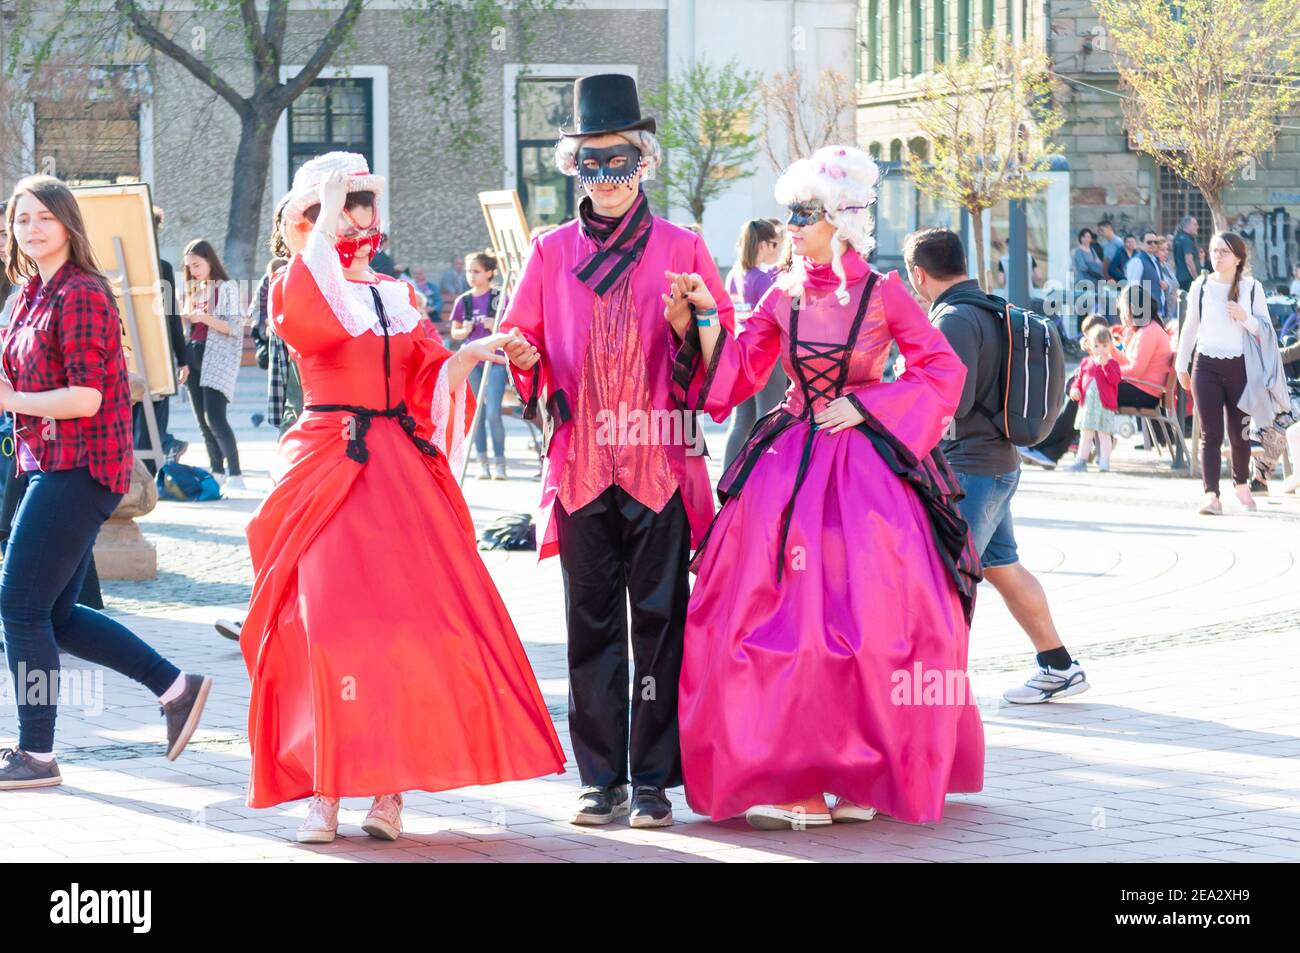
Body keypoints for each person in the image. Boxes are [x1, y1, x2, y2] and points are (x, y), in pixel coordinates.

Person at [240, 153, 564, 843]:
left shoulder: (397, 294)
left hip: (396, 470)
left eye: (361, 200)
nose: (358, 211)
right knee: (326, 628)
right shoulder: (294, 281)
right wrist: (323, 219)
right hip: (328, 464)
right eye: (344, 200)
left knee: (403, 630)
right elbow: (307, 323)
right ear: (313, 212)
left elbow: (426, 376)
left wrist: (476, 353)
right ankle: (324, 790)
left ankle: (387, 792)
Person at [671, 147, 983, 829]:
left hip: (864, 473)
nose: (791, 226)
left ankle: (861, 771)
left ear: (840, 221)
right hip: (787, 465)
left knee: (877, 618)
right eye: (790, 214)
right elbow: (738, 373)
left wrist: (869, 407)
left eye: (804, 215)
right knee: (768, 620)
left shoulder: (884, 291)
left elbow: (941, 370)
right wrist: (701, 321)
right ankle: (797, 773)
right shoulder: (780, 293)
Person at [499, 73, 731, 829]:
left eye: (619, 161)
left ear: (643, 162)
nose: (605, 178)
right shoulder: (548, 251)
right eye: (590, 163)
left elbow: (719, 349)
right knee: (590, 622)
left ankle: (655, 779)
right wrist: (521, 359)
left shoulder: (683, 246)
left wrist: (695, 319)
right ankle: (601, 778)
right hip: (583, 466)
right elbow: (522, 342)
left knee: (661, 622)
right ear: (574, 166)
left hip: (660, 462)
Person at [0, 175, 212, 790]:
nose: (32, 228)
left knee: (19, 605)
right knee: (57, 615)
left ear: (69, 224)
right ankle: (178, 689)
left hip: (82, 464)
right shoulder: (26, 295)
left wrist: (16, 398)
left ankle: (36, 755)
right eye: (21, 219)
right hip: (44, 460)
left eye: (44, 217)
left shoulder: (84, 292)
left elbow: (89, 397)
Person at [906, 227, 1090, 704]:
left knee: (946, 580)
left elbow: (955, 399)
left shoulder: (952, 320)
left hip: (969, 470)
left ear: (917, 274)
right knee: (1001, 566)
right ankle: (1059, 666)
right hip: (998, 463)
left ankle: (933, 692)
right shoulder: (992, 308)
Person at [1176, 232, 1270, 515]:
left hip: (1240, 367)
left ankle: (1241, 484)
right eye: (1214, 251)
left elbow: (1264, 331)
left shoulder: (1252, 288)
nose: (1217, 256)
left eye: (1224, 252)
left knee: (1240, 434)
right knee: (1210, 433)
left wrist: (1245, 316)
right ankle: (1211, 495)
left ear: (1238, 258)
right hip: (1205, 365)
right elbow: (1190, 326)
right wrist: (1181, 364)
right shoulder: (1200, 286)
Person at [721, 218, 787, 469]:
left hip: (740, 353)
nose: (778, 250)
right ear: (763, 246)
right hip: (767, 357)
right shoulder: (765, 280)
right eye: (774, 245)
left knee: (741, 421)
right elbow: (778, 320)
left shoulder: (735, 275)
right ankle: (760, 480)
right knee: (768, 420)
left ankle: (728, 480)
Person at [181, 239, 246, 490]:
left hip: (216, 356)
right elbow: (189, 327)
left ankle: (235, 473)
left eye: (196, 265)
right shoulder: (193, 289)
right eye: (188, 267)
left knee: (216, 418)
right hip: (193, 354)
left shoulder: (226, 288)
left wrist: (204, 318)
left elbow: (235, 326)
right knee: (202, 419)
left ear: (210, 261)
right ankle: (216, 469)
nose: (193, 271)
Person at [131, 205, 189, 473]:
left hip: (154, 352)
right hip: (139, 352)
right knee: (148, 419)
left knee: (148, 418)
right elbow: (172, 316)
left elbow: (171, 315)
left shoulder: (161, 267)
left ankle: (141, 478)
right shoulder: (156, 266)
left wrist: (182, 357)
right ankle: (142, 476)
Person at [450, 250, 508, 479]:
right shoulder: (463, 300)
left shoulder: (499, 297)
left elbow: (511, 327)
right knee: (478, 414)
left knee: (494, 411)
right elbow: (455, 332)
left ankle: (500, 463)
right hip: (471, 361)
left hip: (494, 361)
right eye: (468, 271)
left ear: (490, 273)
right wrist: (463, 330)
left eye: (476, 271)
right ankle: (482, 462)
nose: (471, 276)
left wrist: (497, 323)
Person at [1066, 325, 1123, 472]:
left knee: (1104, 435)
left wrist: (1105, 366)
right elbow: (1079, 379)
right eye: (1097, 346)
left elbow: (1115, 380)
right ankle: (1081, 461)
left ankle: (1104, 461)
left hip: (1105, 406)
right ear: (1090, 346)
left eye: (1105, 346)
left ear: (1110, 346)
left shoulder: (1113, 364)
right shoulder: (1086, 362)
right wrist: (1075, 389)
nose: (1101, 350)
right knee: (1086, 434)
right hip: (1088, 406)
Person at [1125, 230, 1168, 322]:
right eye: (1149, 242)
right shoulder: (1137, 261)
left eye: (1155, 242)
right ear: (1141, 244)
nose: (1153, 244)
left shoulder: (1155, 260)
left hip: (1157, 312)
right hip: (1145, 314)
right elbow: (1133, 288)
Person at [1072, 227, 1106, 317]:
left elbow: (1099, 263)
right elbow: (1082, 266)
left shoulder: (1091, 249)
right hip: (1083, 282)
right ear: (1081, 238)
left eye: (1089, 237)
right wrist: (1092, 269)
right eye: (1085, 237)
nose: (1087, 239)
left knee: (1092, 309)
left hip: (1093, 282)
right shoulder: (1078, 251)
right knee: (1083, 308)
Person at [1173, 215, 1200, 293]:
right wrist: (1196, 279)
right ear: (1187, 226)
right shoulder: (1186, 240)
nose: (1197, 227)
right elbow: (1189, 261)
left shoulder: (1178, 237)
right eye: (1195, 224)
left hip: (1180, 277)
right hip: (1189, 279)